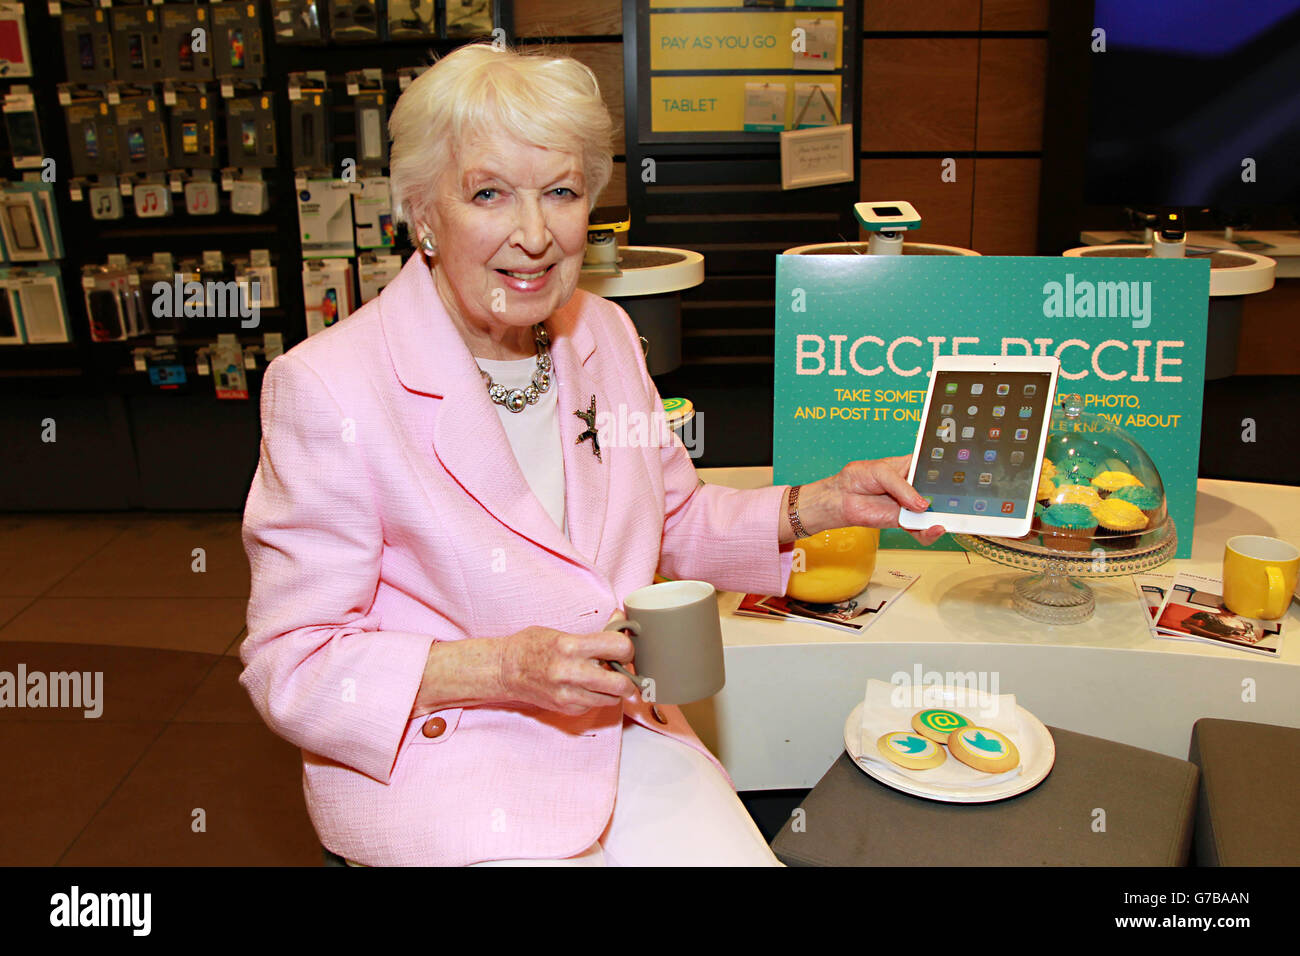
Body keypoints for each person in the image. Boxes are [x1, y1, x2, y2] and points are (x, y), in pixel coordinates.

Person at [238, 43, 944, 867]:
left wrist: (815, 505)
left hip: (621, 736)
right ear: (422, 214)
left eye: (562, 193)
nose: (535, 235)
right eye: (490, 193)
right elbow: (294, 662)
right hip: (447, 774)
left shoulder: (603, 335)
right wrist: (504, 667)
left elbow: (672, 517)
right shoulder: (328, 387)